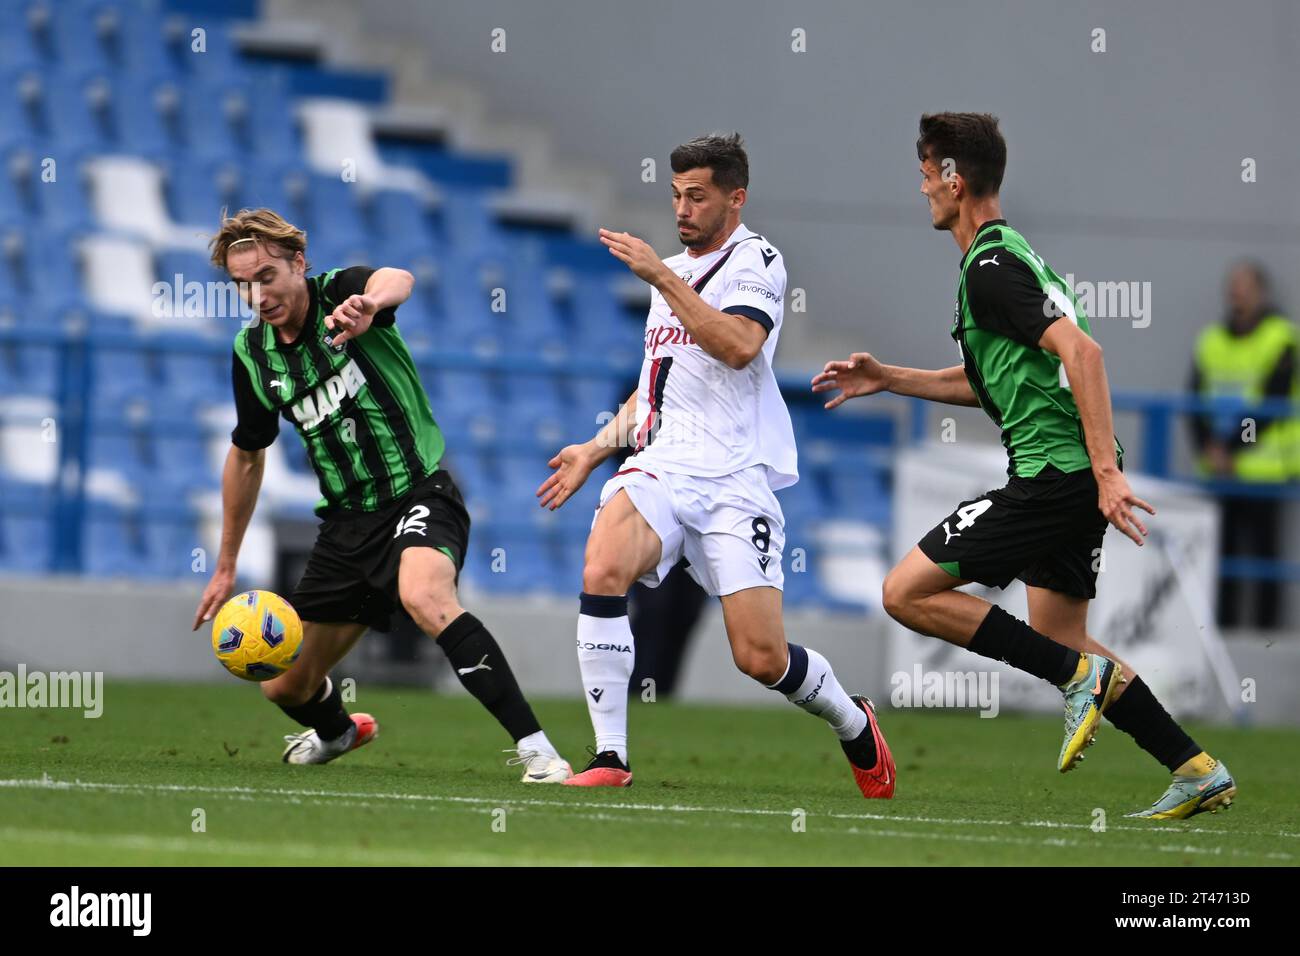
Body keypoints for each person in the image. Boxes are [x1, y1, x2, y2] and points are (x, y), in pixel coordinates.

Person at [813, 113, 1235, 820]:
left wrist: (1104, 473)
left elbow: (1086, 355)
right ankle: (1194, 766)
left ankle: (1078, 680)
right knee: (1064, 635)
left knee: (905, 593)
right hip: (1067, 477)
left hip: (1055, 478)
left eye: (926, 173)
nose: (921, 189)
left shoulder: (989, 267)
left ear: (954, 177)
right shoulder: (1004, 257)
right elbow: (987, 384)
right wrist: (890, 377)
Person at [538, 133, 894, 796]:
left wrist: (663, 277)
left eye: (696, 196)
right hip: (663, 465)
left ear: (735, 197)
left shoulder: (756, 260)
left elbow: (738, 346)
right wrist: (595, 448)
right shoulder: (666, 279)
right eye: (675, 195)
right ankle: (610, 756)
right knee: (601, 566)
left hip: (734, 481)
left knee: (759, 658)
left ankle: (853, 722)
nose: (682, 209)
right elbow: (654, 386)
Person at [192, 208, 570, 782]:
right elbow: (247, 454)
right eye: (243, 284)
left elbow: (399, 279)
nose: (257, 294)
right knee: (283, 684)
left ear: (298, 264)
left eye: (266, 276)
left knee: (425, 596)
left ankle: (539, 750)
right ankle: (338, 731)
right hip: (347, 525)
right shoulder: (252, 354)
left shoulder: (342, 296)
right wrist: (225, 566)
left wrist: (371, 305)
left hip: (419, 489)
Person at [1190, 261, 1297, 629]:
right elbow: (1194, 402)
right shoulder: (1211, 340)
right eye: (1233, 285)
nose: (1237, 292)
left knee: (1264, 557)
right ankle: (1224, 630)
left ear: (1261, 292)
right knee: (1223, 557)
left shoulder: (1281, 337)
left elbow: (1271, 404)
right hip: (1221, 474)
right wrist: (1209, 447)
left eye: (1245, 286)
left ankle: (1267, 634)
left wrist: (1228, 450)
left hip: (1265, 473)